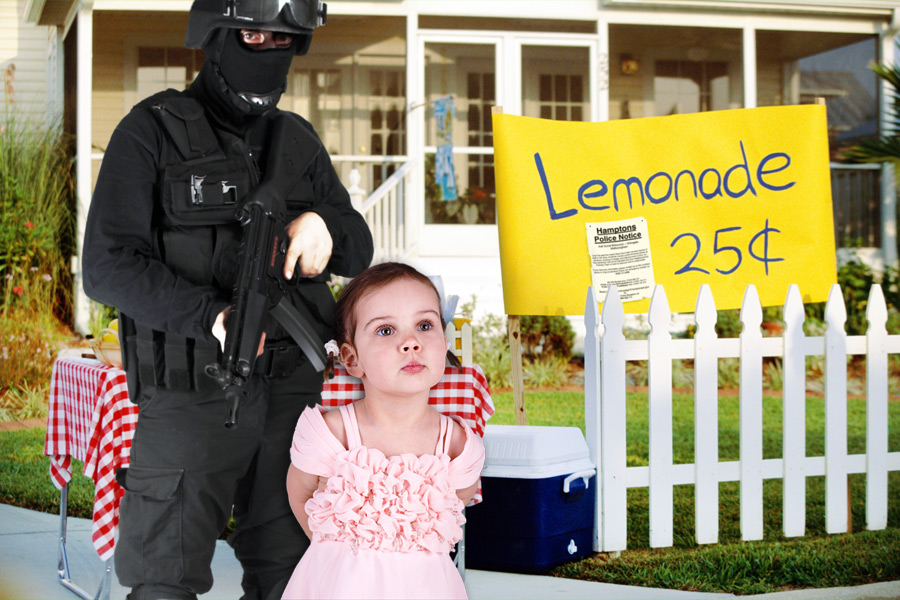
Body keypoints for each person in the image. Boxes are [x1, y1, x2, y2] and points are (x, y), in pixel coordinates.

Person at [81, 1, 373, 599]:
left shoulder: (297, 140)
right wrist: (211, 316)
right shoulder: (150, 131)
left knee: (292, 576)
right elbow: (107, 266)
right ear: (213, 36)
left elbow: (358, 246)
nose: (270, 52)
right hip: (191, 393)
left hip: (292, 396)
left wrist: (325, 226)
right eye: (255, 35)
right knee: (164, 576)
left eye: (285, 40)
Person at [282, 262, 486, 599]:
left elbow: (457, 500)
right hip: (340, 586)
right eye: (386, 330)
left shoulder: (458, 445)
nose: (411, 342)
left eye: (424, 325)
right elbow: (299, 492)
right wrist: (333, 548)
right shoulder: (332, 434)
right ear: (351, 359)